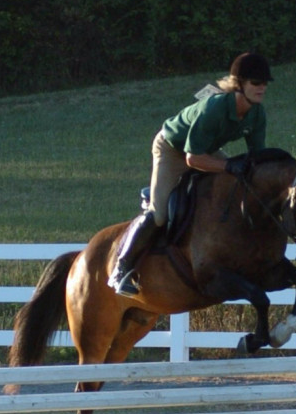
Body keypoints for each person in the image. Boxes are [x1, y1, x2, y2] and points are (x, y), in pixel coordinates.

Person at [108, 52, 273, 297]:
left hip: (204, 149)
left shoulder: (257, 114)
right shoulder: (214, 108)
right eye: (256, 83)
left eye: (264, 84)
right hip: (172, 148)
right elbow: (192, 159)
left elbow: (257, 158)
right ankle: (121, 268)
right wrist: (228, 167)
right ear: (240, 84)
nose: (262, 88)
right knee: (160, 214)